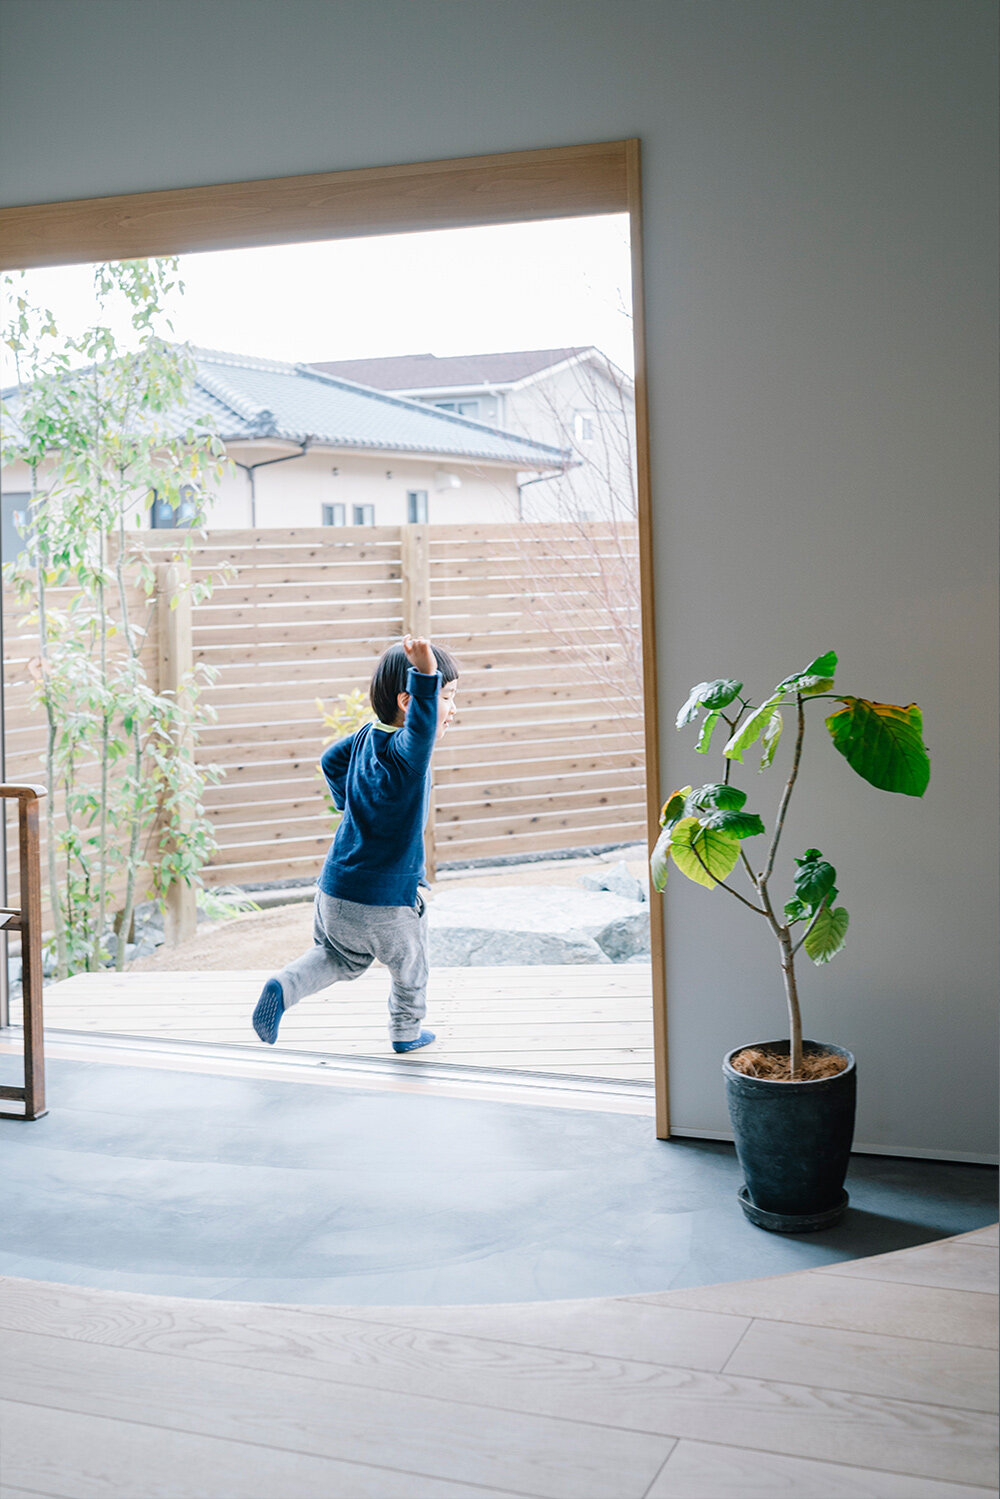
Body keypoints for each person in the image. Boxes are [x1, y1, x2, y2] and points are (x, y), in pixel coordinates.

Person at [252, 633, 459, 1052]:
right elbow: (420, 732)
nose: (454, 708)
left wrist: (348, 803)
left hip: (335, 890)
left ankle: (283, 986)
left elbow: (330, 759)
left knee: (336, 956)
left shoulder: (368, 737)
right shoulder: (409, 754)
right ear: (409, 702)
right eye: (447, 696)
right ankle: (406, 1033)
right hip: (386, 899)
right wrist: (426, 674)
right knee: (410, 967)